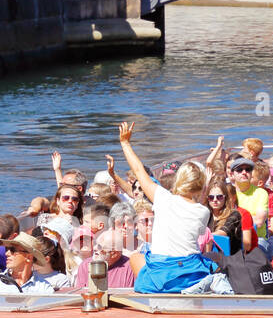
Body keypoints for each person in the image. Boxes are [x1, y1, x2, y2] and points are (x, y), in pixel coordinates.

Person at [118, 121, 213, 293]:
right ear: (200, 187)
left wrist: (125, 143)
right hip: (190, 274)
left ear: (178, 181)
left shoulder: (163, 198)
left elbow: (139, 171)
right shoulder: (203, 211)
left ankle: (152, 292)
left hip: (161, 273)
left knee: (136, 258)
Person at [73, 229, 137, 290]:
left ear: (114, 253)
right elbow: (80, 295)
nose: (94, 248)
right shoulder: (85, 265)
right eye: (95, 244)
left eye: (99, 247)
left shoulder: (131, 268)